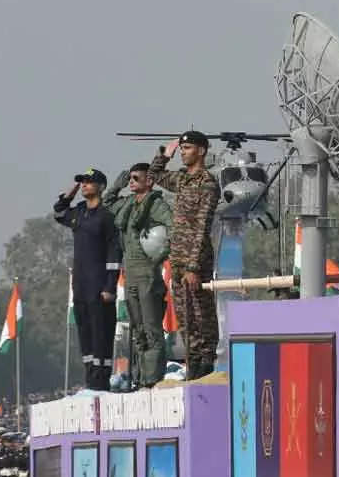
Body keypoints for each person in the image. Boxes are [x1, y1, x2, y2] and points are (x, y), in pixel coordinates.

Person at [149, 131, 220, 380]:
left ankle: (206, 359)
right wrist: (163, 156)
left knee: (202, 311)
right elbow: (154, 176)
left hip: (195, 259)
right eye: (182, 148)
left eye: (188, 148)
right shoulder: (181, 179)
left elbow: (202, 226)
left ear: (201, 150)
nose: (183, 152)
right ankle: (192, 360)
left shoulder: (207, 182)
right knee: (184, 313)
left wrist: (192, 265)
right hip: (177, 258)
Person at [103, 163, 174, 388]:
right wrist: (118, 183)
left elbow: (173, 228)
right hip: (131, 273)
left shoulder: (155, 204)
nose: (132, 181)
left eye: (136, 178)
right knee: (138, 331)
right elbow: (107, 204)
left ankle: (153, 380)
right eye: (130, 178)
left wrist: (161, 255)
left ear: (149, 181)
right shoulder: (128, 205)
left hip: (147, 272)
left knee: (152, 331)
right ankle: (141, 378)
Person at [54, 168, 121, 390]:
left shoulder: (107, 215)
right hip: (80, 285)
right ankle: (89, 379)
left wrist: (110, 286)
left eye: (89, 182)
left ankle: (101, 380)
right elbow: (58, 211)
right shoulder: (78, 213)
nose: (84, 185)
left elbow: (114, 252)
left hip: (99, 285)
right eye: (82, 182)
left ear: (101, 186)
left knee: (100, 331)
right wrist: (73, 189)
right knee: (84, 331)